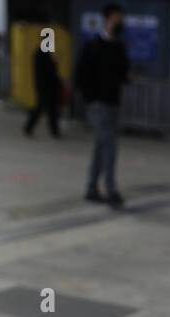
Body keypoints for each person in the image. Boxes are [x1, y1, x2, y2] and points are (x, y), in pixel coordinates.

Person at [74, 3, 129, 208]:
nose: (120, 22)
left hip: (114, 102)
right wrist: (90, 98)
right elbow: (80, 75)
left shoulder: (120, 47)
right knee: (110, 146)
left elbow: (122, 74)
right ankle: (111, 189)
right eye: (117, 18)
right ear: (107, 19)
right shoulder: (92, 46)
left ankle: (91, 188)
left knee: (101, 146)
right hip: (98, 104)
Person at [24, 41, 61, 138]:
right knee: (44, 108)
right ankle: (30, 127)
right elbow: (48, 71)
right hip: (45, 87)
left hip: (46, 86)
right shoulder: (42, 55)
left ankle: (54, 130)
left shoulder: (43, 54)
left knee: (47, 108)